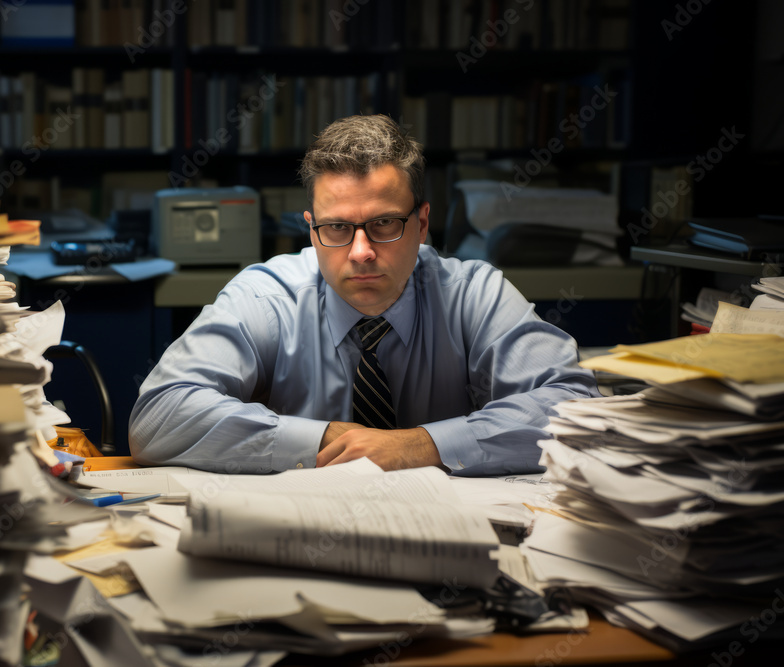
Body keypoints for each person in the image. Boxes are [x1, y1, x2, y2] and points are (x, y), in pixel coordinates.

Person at [130, 114, 599, 475]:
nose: (361, 252)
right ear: (312, 231)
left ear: (421, 224)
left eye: (384, 224)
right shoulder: (267, 297)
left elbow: (578, 409)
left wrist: (420, 445)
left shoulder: (473, 295)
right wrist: (325, 439)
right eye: (337, 227)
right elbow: (158, 417)